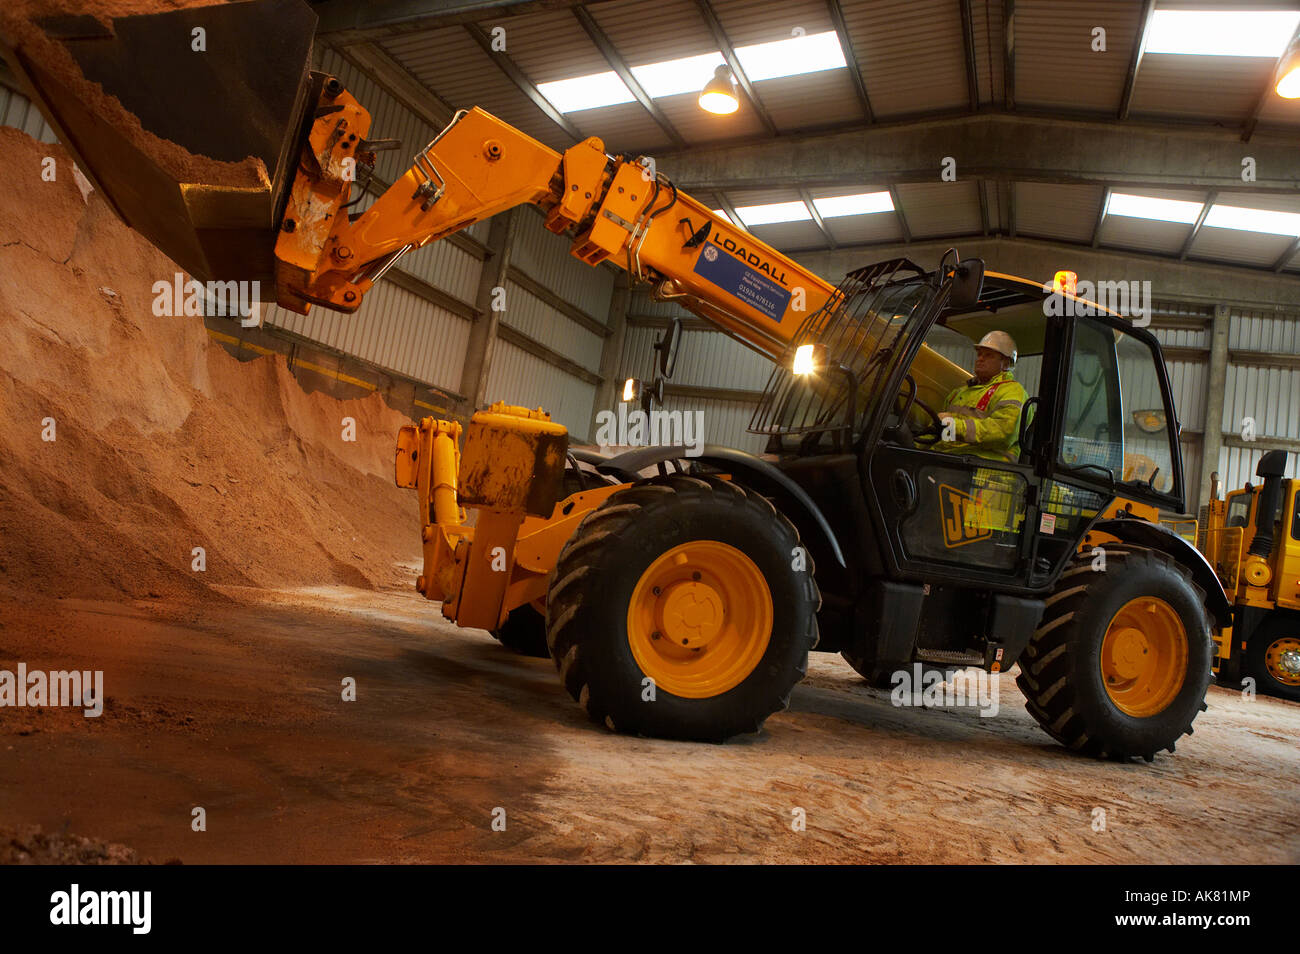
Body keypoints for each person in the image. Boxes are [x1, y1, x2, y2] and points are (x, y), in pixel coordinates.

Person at [935, 331, 1027, 463]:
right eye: (979, 354)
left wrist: (953, 426)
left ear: (1006, 363)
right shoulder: (959, 392)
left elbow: (1003, 432)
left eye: (989, 355)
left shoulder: (1013, 391)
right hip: (950, 460)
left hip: (986, 471)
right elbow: (937, 428)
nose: (980, 359)